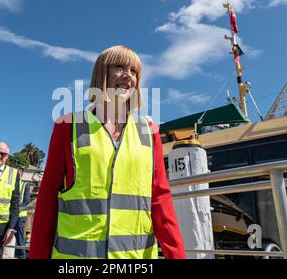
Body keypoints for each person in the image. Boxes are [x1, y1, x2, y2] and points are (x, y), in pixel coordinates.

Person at [29, 45, 186, 259]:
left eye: (134, 71)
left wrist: (177, 256)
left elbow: (160, 200)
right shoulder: (68, 126)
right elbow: (47, 200)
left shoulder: (149, 132)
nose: (128, 76)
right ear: (102, 73)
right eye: (120, 67)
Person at [14, 168, 31, 259]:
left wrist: (16, 209)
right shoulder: (11, 185)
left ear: (21, 175)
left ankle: (22, 257)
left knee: (20, 240)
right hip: (9, 216)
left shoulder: (25, 185)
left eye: (18, 175)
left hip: (20, 217)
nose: (16, 177)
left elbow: (26, 201)